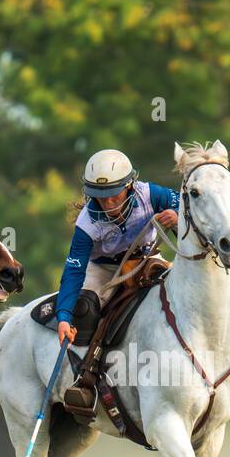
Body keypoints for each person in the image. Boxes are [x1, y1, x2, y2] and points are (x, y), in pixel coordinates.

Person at [55, 149, 179, 419]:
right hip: (104, 269)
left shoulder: (151, 194)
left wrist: (176, 214)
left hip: (146, 258)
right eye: (100, 197)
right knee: (85, 310)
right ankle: (86, 381)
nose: (109, 203)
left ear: (130, 185)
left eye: (115, 194)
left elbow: (186, 201)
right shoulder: (87, 222)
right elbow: (74, 269)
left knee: (181, 295)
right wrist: (64, 316)